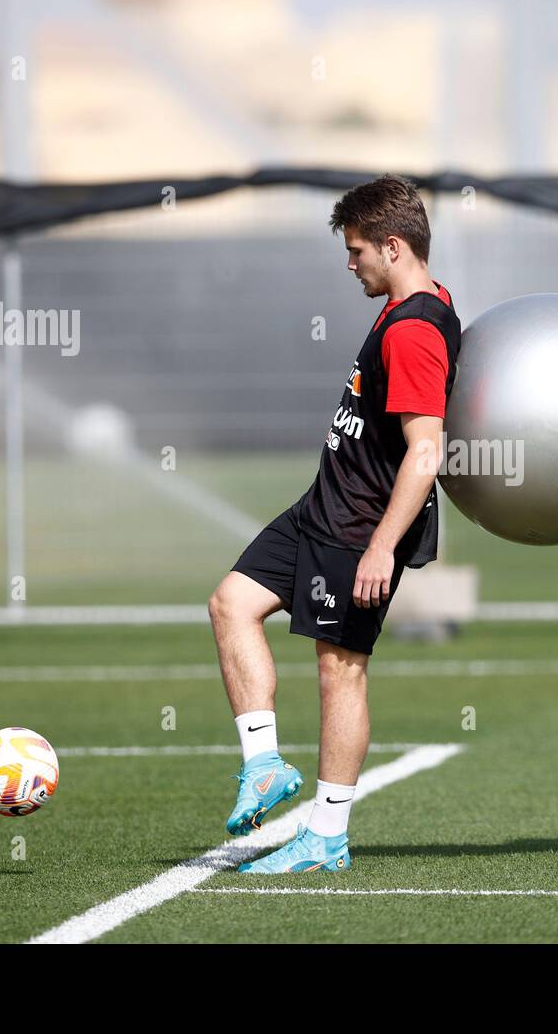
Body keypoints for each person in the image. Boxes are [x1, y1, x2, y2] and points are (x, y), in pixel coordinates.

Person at [207, 174, 460, 874]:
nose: (349, 265)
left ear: (394, 245)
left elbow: (426, 450)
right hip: (318, 508)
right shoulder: (418, 303)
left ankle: (326, 834)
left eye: (356, 252)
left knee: (339, 673)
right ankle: (263, 765)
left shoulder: (413, 328)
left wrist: (383, 546)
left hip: (356, 528)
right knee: (231, 603)